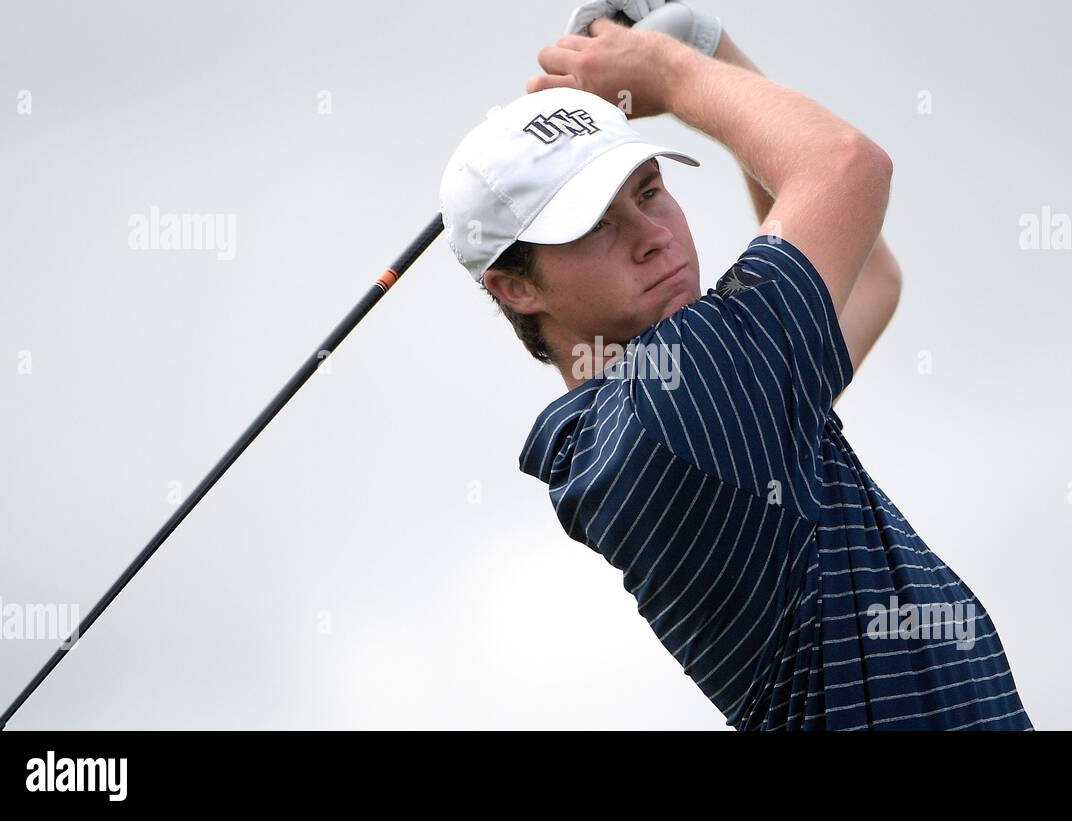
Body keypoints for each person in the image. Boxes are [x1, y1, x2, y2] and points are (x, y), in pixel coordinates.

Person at [437, 4, 1033, 730]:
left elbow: (869, 274)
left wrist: (700, 45)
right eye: (596, 225)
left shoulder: (655, 411)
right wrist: (668, 69)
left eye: (649, 190)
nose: (653, 236)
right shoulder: (678, 401)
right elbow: (847, 166)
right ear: (516, 286)